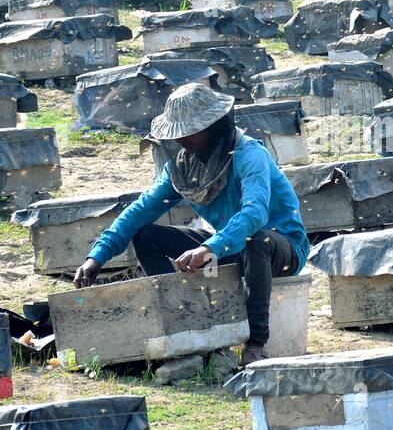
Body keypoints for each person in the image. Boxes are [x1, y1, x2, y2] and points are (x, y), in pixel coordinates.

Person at [73, 82, 310, 365]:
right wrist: (96, 257)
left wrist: (209, 247)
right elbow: (138, 211)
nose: (182, 138)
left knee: (257, 239)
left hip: (280, 250)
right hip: (226, 246)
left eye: (190, 130)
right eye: (178, 132)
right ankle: (181, 321)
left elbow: (254, 213)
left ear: (214, 125)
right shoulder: (183, 167)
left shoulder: (249, 155)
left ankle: (256, 342)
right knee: (146, 235)